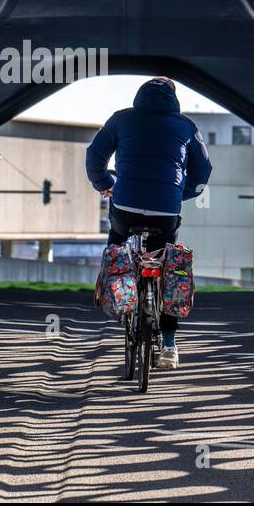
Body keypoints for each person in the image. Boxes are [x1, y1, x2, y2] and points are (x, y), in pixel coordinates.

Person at [85, 77, 213, 370]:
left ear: (139, 96)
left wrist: (104, 184)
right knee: (168, 266)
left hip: (125, 206)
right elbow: (203, 171)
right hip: (165, 211)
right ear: (174, 98)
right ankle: (169, 345)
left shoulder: (121, 119)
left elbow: (95, 156)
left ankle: (119, 294)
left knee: (117, 243)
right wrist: (180, 192)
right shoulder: (186, 126)